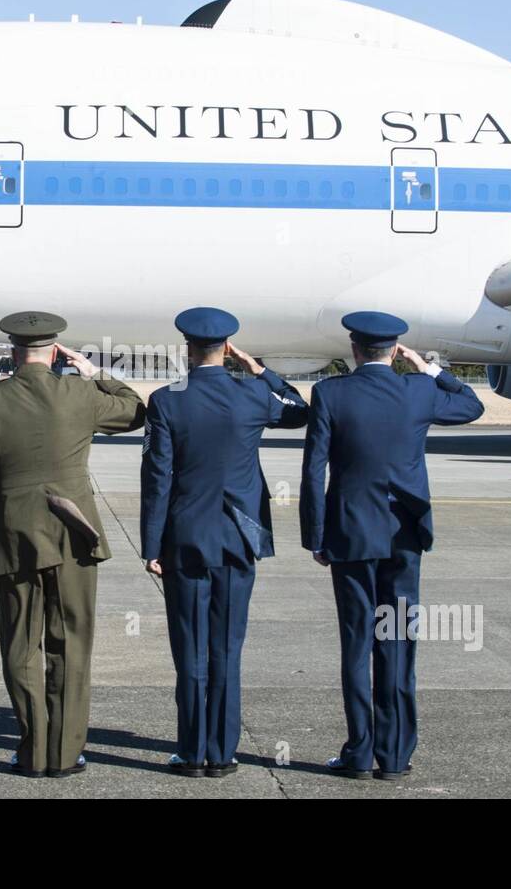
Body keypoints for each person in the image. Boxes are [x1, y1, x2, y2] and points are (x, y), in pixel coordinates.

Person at [299, 311, 484, 781]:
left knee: (357, 645)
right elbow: (469, 405)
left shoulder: (331, 393)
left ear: (355, 349)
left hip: (349, 533)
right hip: (404, 537)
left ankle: (359, 753)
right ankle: (396, 755)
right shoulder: (418, 391)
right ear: (395, 350)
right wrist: (429, 369)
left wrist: (315, 537)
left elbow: (313, 469)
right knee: (398, 642)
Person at [0, 311, 145, 778]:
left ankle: (33, 747)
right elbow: (134, 410)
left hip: (14, 532)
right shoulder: (81, 394)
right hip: (74, 533)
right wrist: (95, 373)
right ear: (56, 351)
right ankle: (64, 755)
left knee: (21, 646)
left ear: (12, 351)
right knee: (71, 643)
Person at [140, 307, 308, 777]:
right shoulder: (254, 394)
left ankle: (192, 752)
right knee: (228, 650)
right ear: (227, 348)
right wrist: (261, 370)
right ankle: (223, 752)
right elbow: (299, 411)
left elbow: (156, 477)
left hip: (186, 537)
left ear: (187, 349)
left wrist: (152, 545)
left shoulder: (166, 400)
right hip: (239, 536)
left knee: (190, 650)